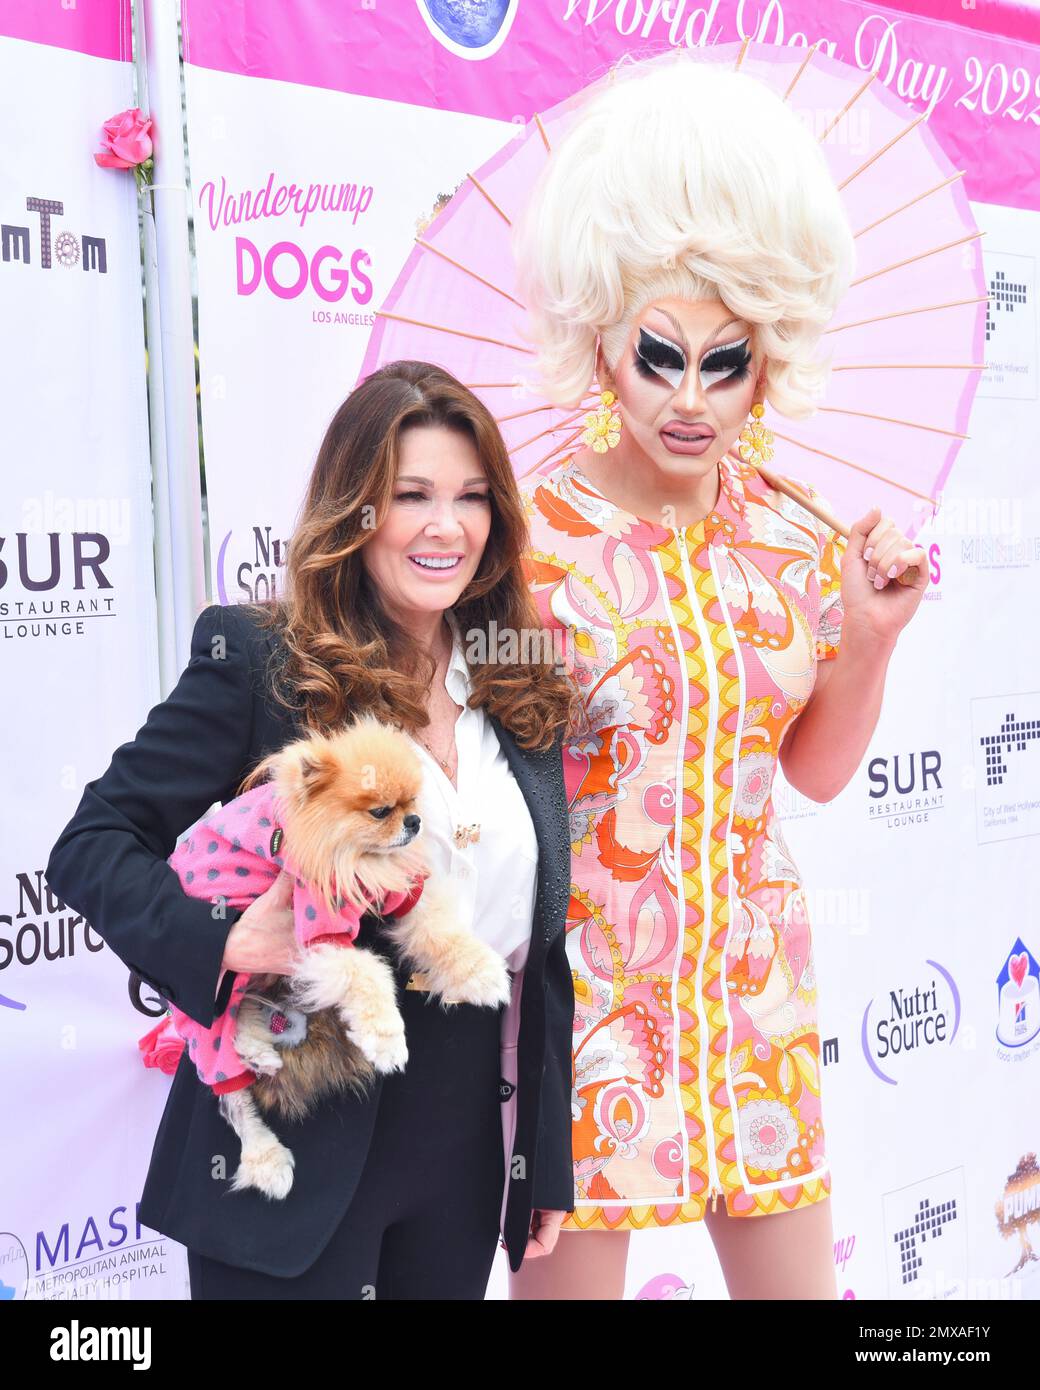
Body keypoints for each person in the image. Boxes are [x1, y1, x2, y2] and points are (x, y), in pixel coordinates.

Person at [508, 58, 930, 1300]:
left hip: (754, 999)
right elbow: (483, 776)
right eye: (656, 356)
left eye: (724, 362)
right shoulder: (531, 545)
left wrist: (870, 634)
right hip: (583, 1010)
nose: (688, 399)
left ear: (770, 355)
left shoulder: (793, 538)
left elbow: (810, 768)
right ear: (600, 340)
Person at [45, 360, 577, 1300]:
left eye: (471, 496)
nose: (445, 526)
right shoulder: (260, 660)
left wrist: (544, 1154)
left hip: (459, 1156)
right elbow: (92, 842)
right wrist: (223, 940)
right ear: (356, 509)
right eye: (410, 495)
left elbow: (536, 953)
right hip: (290, 1139)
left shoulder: (517, 682)